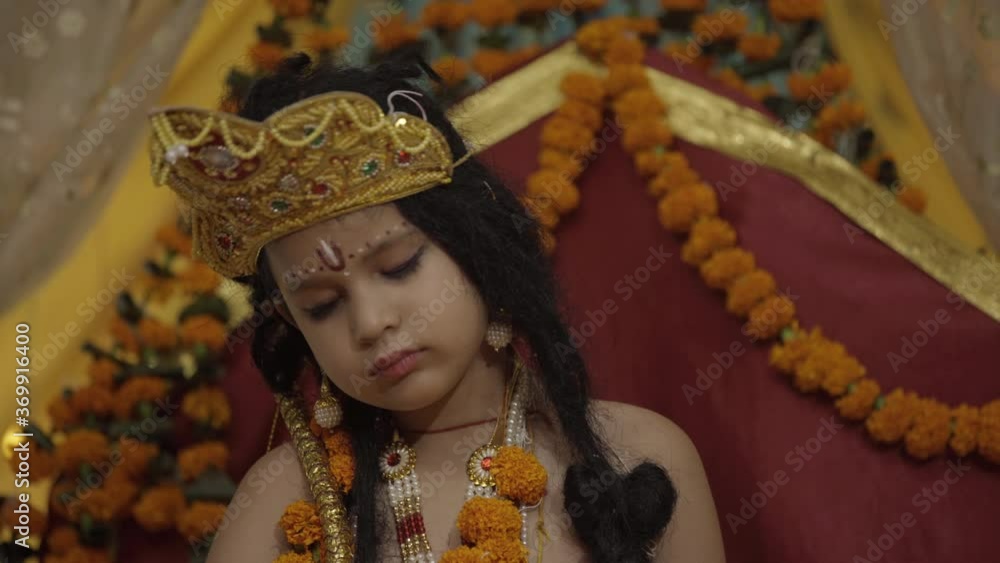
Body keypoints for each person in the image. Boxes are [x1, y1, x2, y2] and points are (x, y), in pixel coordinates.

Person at [147, 53, 725, 563]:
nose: (372, 323)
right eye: (322, 306)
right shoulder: (280, 503)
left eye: (398, 267)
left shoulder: (637, 455)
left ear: (476, 248)